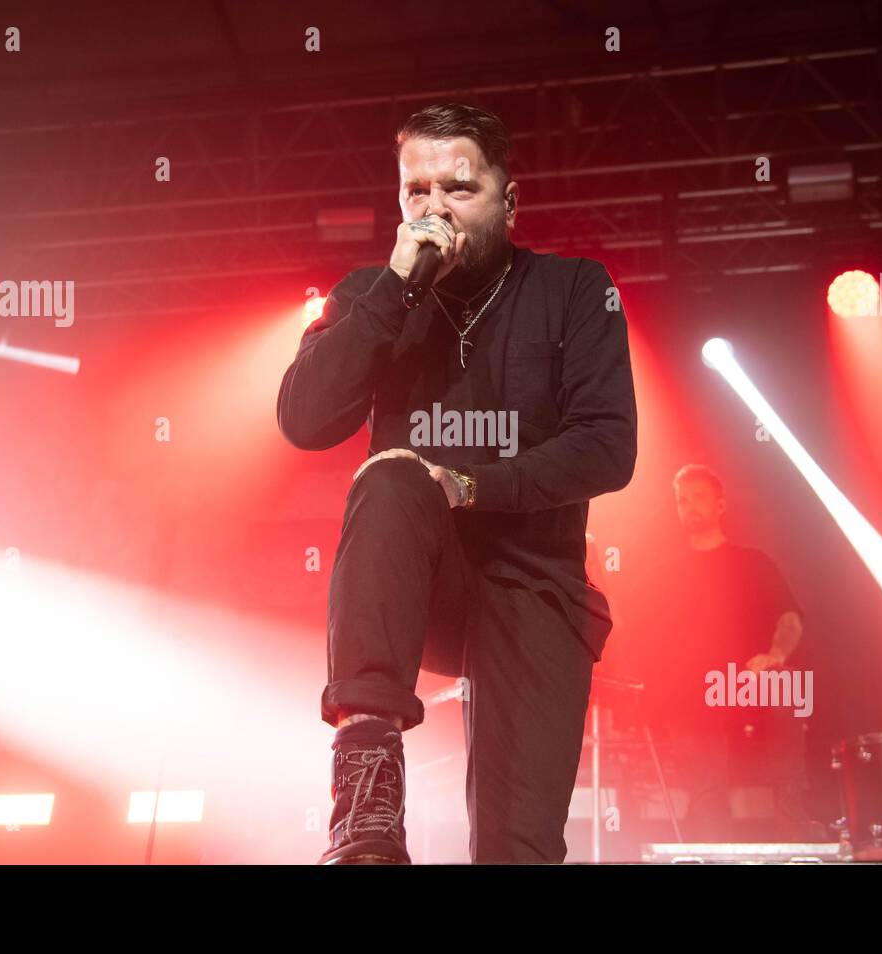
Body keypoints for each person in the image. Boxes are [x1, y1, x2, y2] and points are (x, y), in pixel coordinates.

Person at [276, 102, 637, 863]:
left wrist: (470, 484)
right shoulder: (372, 293)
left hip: (533, 583)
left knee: (519, 846)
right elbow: (304, 420)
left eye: (460, 189)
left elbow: (608, 448)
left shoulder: (575, 289)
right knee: (393, 480)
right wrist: (394, 292)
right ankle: (368, 805)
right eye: (416, 191)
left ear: (509, 201)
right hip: (422, 580)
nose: (435, 207)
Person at [650, 463, 812, 841]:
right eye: (682, 500)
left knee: (786, 685)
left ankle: (795, 831)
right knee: (704, 784)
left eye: (699, 497)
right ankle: (712, 842)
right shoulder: (662, 574)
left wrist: (775, 655)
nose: (690, 506)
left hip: (747, 682)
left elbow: (790, 621)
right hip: (693, 694)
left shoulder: (754, 561)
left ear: (721, 505)